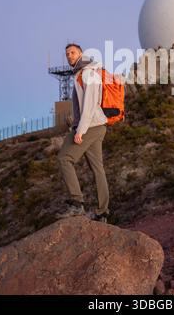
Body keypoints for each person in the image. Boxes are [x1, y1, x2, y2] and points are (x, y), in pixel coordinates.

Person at [57, 43, 109, 222]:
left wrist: (80, 130)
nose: (69, 56)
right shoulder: (82, 73)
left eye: (72, 53)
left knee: (64, 158)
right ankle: (102, 212)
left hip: (90, 126)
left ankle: (77, 203)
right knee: (98, 169)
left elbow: (89, 104)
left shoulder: (88, 73)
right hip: (96, 125)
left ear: (80, 53)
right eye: (67, 54)